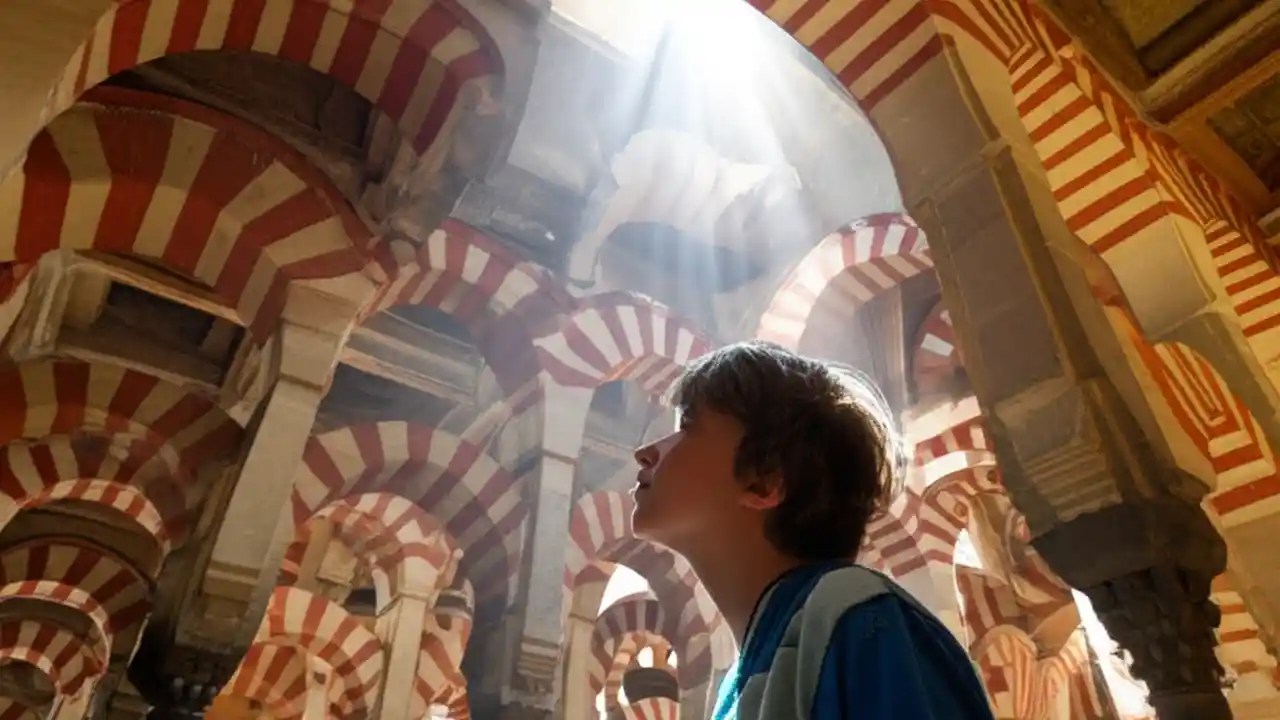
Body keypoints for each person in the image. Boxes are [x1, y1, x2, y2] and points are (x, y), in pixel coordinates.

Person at [631, 341, 996, 719]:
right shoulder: (742, 683)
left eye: (687, 426)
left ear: (764, 483)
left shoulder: (857, 617)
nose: (645, 452)